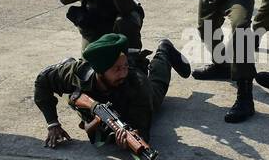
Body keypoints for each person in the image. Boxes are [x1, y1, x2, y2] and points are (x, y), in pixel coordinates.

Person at [35, 32, 190, 149]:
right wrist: (52, 123)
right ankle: (67, 66)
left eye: (124, 67)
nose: (123, 73)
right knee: (66, 79)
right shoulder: (79, 73)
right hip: (92, 91)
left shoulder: (136, 84)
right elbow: (42, 81)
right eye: (117, 69)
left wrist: (130, 137)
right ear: (100, 71)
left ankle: (164, 51)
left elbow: (142, 131)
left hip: (132, 90)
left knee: (156, 94)